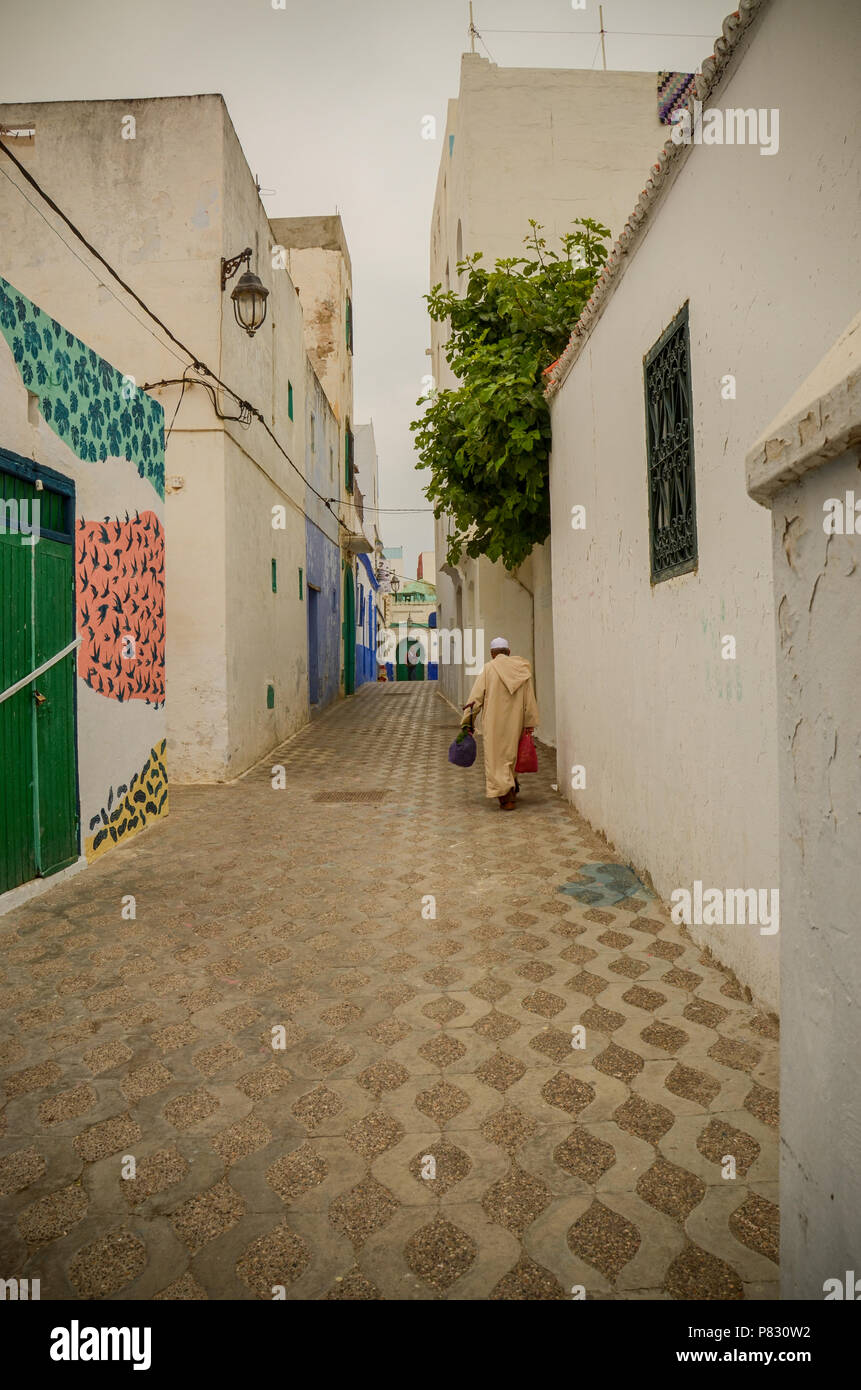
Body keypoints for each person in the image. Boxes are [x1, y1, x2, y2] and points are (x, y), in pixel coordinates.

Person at [461, 637, 538, 810]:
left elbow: (475, 698)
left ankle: (506, 797)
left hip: (494, 724)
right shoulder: (521, 670)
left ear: (492, 654)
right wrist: (529, 722)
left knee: (496, 759)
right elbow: (530, 699)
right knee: (512, 755)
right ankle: (511, 785)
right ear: (508, 652)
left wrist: (468, 721)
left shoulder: (488, 669)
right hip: (515, 722)